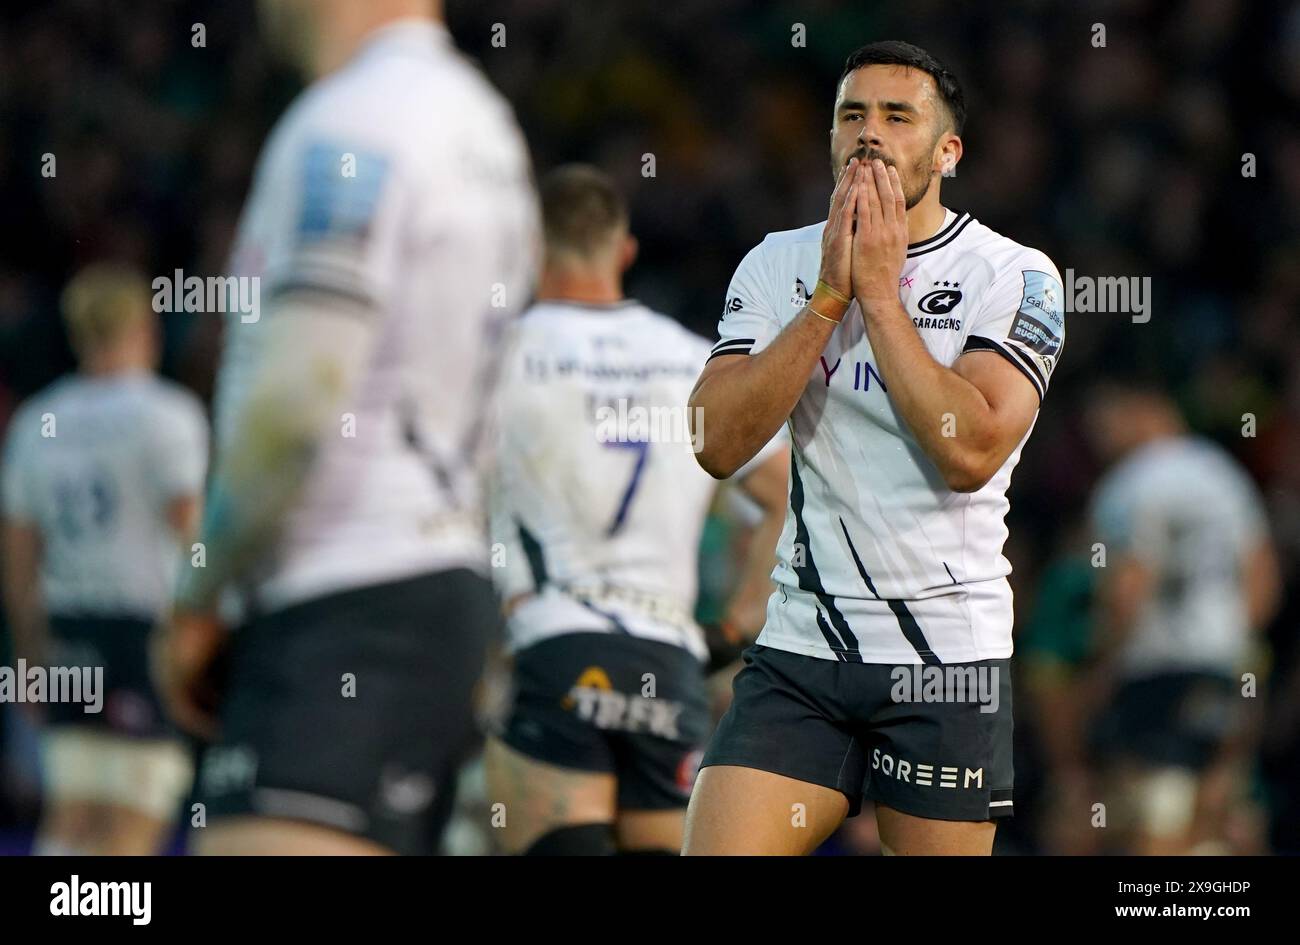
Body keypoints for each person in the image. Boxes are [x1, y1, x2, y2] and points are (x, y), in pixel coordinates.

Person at [156, 0, 538, 855]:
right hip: (434, 588)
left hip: (342, 597)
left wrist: (199, 590)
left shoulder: (352, 120)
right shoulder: (487, 129)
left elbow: (298, 402)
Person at [683, 40, 1065, 855]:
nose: (870, 133)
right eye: (852, 114)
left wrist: (880, 296)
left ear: (947, 151)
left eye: (898, 116)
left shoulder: (1014, 272)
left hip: (942, 657)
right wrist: (828, 297)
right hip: (800, 646)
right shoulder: (778, 262)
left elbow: (971, 449)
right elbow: (712, 441)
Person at [485, 165, 788, 855]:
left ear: (531, 246)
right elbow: (788, 493)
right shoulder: (687, 360)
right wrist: (738, 624)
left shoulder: (500, 354)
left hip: (553, 644)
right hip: (669, 662)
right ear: (624, 251)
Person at [2, 263, 208, 855]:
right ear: (144, 326)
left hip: (69, 631)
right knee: (131, 828)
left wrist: (29, 654)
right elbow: (194, 536)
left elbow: (18, 559)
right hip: (145, 633)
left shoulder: (38, 422)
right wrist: (209, 630)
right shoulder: (168, 414)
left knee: (70, 817)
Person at [1082, 377, 1280, 854]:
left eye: (1105, 424)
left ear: (1142, 408)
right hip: (1221, 665)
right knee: (1213, 808)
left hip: (1155, 671)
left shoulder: (1127, 484)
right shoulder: (1224, 474)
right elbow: (1263, 577)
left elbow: (1130, 583)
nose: (1100, 441)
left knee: (1155, 812)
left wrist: (1104, 662)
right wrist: (1235, 642)